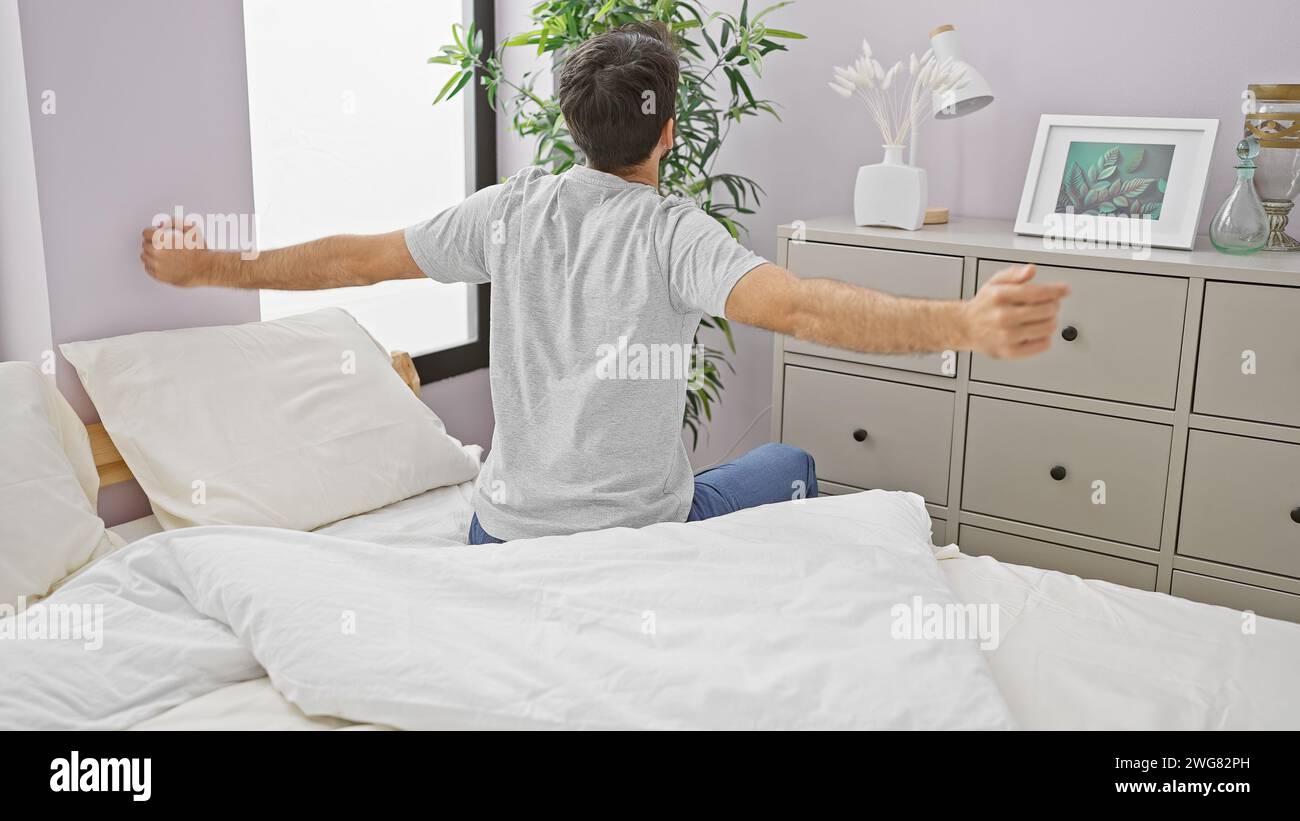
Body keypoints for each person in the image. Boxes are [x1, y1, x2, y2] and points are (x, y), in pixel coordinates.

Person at [140, 22, 1068, 544]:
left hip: (498, 538)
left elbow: (355, 259)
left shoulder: (509, 211)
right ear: (667, 135)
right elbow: (795, 304)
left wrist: (209, 266)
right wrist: (964, 320)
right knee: (791, 466)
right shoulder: (672, 232)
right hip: (636, 535)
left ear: (576, 130)